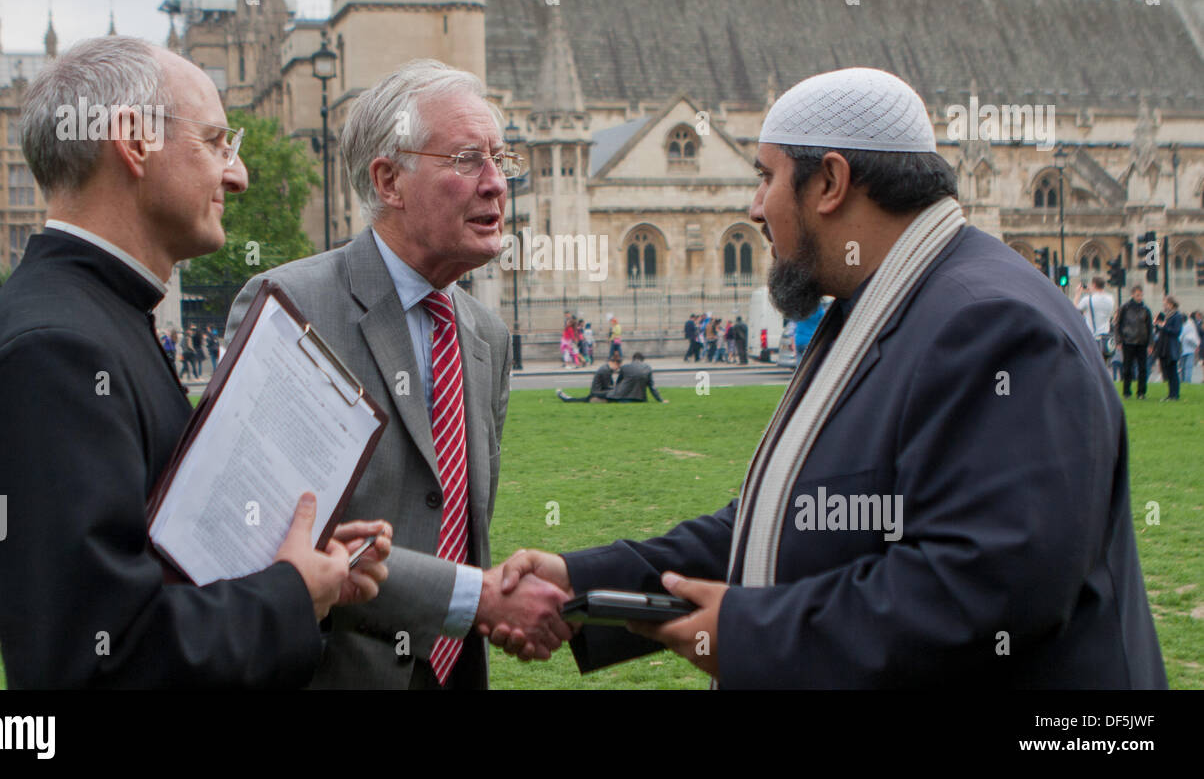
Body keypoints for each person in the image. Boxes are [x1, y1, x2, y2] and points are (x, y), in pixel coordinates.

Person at [482, 67, 1164, 687]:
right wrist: (587, 584)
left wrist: (747, 634)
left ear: (831, 183)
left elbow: (988, 590)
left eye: (766, 177)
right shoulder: (879, 301)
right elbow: (795, 518)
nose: (753, 207)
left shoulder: (991, 325)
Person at [0, 36, 392, 688]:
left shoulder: (99, 315)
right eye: (216, 142)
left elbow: (157, 573)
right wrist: (290, 594)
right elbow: (101, 659)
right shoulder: (53, 350)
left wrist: (288, 565)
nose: (237, 174)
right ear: (134, 142)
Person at [226, 59, 571, 689]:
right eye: (468, 159)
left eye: (501, 159)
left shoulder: (487, 334)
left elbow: (461, 522)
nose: (496, 184)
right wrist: (471, 598)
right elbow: (261, 531)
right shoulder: (291, 306)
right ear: (389, 180)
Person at [1115, 286, 1154, 399]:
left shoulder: (1145, 309)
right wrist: (1119, 340)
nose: (1140, 297)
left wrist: (1150, 343)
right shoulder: (1125, 308)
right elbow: (1118, 324)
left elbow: (1149, 327)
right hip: (1128, 341)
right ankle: (1127, 391)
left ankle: (1141, 392)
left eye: (1141, 295)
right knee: (1127, 368)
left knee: (1143, 368)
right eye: (1137, 295)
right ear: (1132, 295)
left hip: (1142, 341)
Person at [1075, 276, 1115, 365]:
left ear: (1093, 285)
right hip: (1106, 337)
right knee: (1103, 366)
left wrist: (1078, 293)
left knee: (1092, 365)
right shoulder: (1110, 298)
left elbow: (1074, 310)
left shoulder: (1088, 300)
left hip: (1093, 337)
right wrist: (1092, 292)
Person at [603, 352, 667, 403]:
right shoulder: (648, 368)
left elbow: (618, 383)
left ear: (633, 359)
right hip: (639, 398)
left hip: (622, 397)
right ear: (642, 360)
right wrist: (660, 400)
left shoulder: (625, 367)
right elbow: (652, 387)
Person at [1153, 296, 1183, 401]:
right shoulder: (1167, 316)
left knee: (1173, 371)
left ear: (1171, 304)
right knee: (1168, 372)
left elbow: (1176, 331)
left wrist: (1164, 326)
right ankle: (1171, 394)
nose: (1164, 306)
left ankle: (1175, 394)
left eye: (1166, 303)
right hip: (1164, 347)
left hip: (1171, 347)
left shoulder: (1177, 316)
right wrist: (1157, 325)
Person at [557, 352, 621, 402]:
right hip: (597, 393)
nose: (617, 368)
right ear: (614, 363)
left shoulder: (606, 369)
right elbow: (607, 386)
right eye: (618, 366)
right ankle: (566, 398)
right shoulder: (605, 370)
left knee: (580, 400)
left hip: (597, 392)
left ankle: (567, 398)